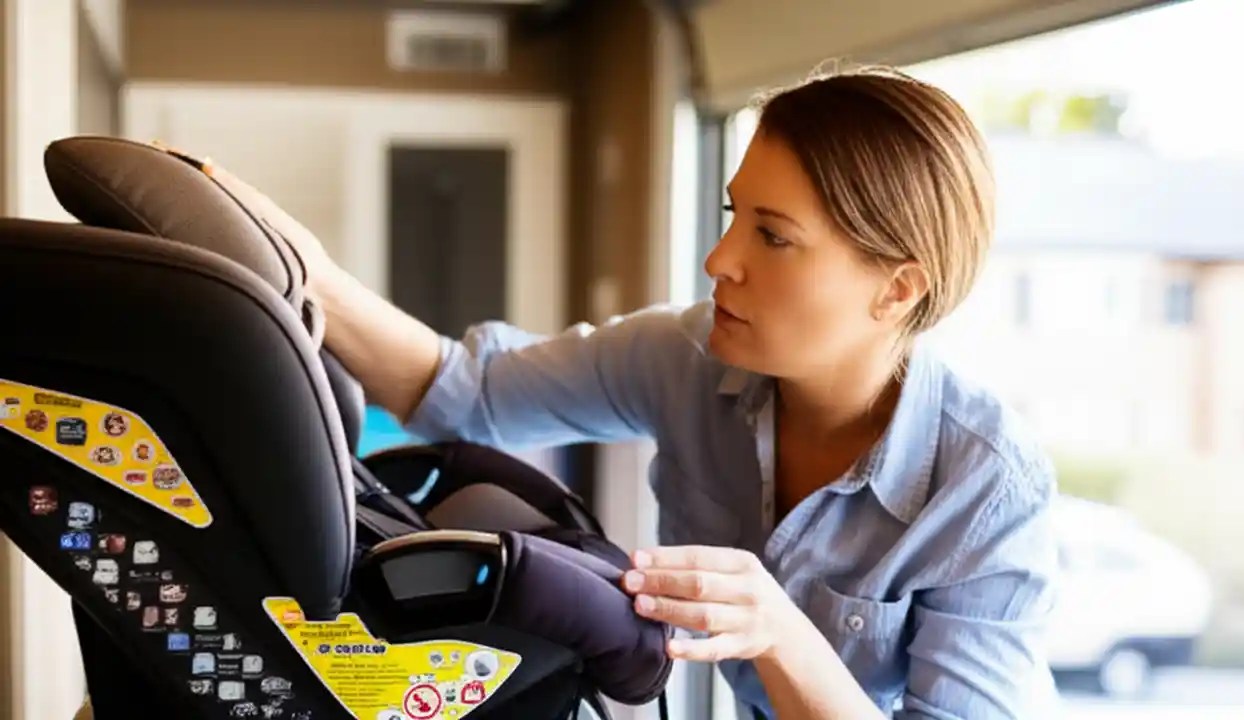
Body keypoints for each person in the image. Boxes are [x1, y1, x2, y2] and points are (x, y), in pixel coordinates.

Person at [207, 63, 1060, 719]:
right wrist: (303, 269)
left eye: (773, 236)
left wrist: (779, 631)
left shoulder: (988, 490)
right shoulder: (687, 354)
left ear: (897, 288)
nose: (721, 260)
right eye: (733, 215)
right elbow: (460, 389)